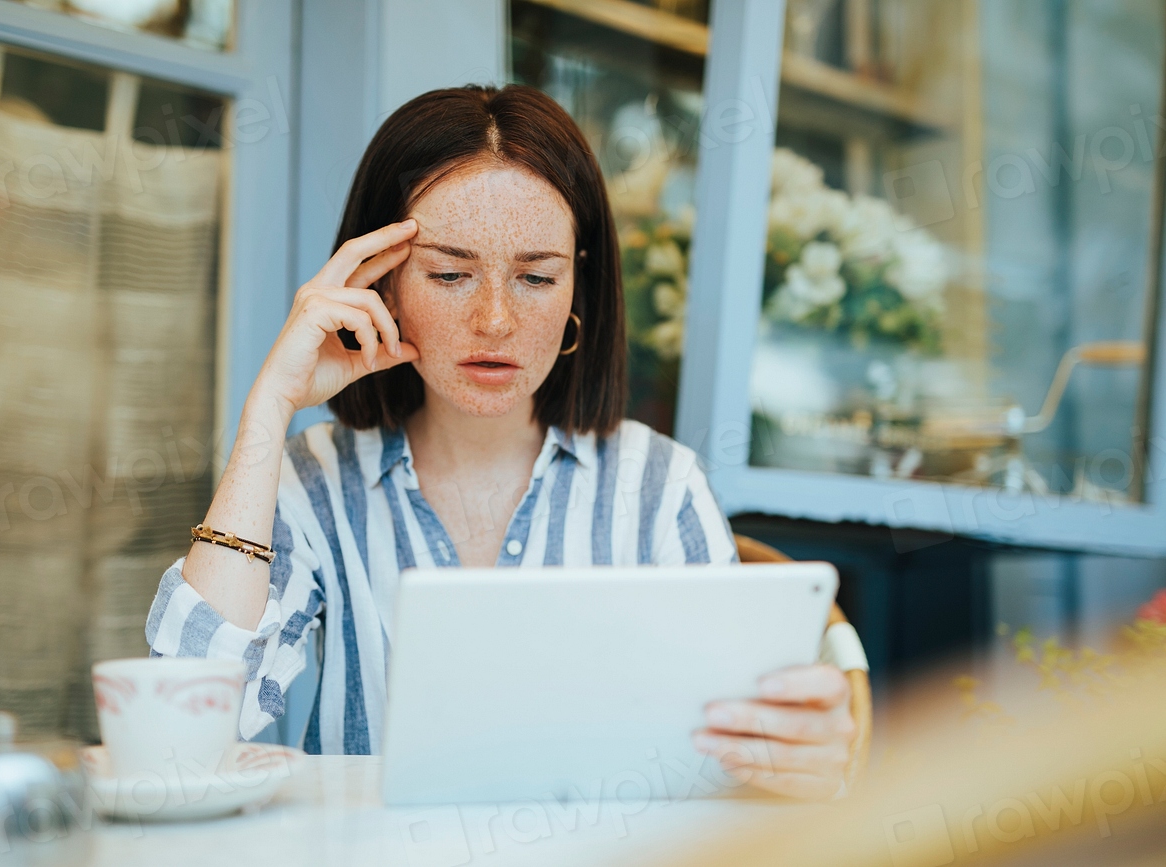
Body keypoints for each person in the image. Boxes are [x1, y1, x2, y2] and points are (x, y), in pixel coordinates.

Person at [145, 85, 856, 799]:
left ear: (580, 288)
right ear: (380, 283)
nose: (495, 319)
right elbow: (186, 723)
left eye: (537, 277)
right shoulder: (315, 481)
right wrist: (269, 409)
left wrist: (794, 755)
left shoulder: (660, 488)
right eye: (451, 273)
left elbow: (736, 767)